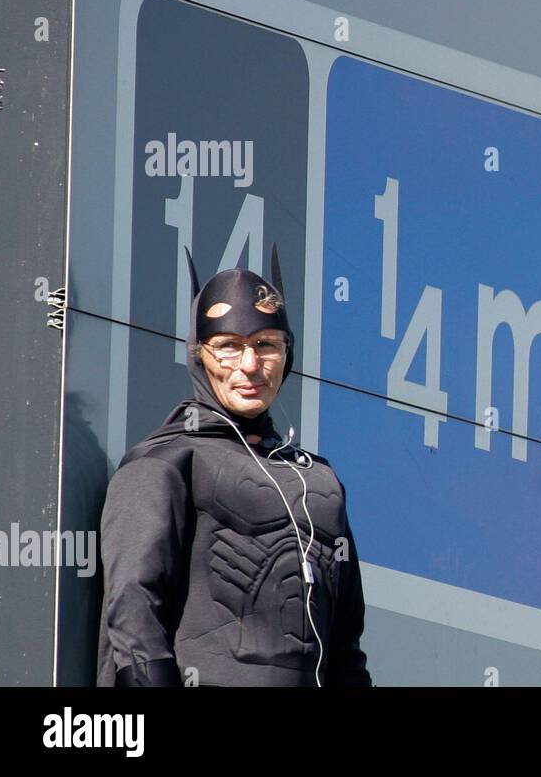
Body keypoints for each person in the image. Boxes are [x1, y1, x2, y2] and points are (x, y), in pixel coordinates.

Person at [95, 246, 372, 686]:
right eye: (228, 347)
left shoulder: (319, 481)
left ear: (288, 354)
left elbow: (344, 648)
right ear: (199, 354)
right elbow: (134, 611)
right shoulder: (166, 462)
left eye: (266, 346)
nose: (249, 365)